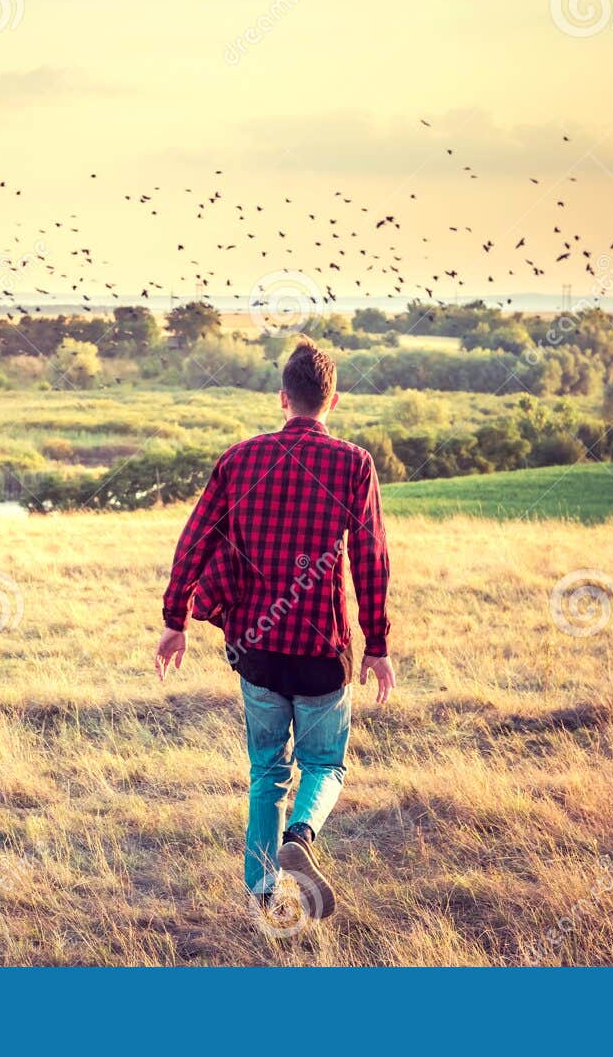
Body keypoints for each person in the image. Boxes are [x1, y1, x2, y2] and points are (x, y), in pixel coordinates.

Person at [154, 336, 394, 924]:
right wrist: (377, 644)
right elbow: (370, 558)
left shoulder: (239, 459)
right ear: (332, 401)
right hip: (320, 650)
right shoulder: (354, 464)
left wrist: (174, 619)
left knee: (266, 772)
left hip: (255, 646)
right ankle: (303, 835)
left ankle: (262, 893)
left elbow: (195, 539)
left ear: (283, 398)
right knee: (324, 765)